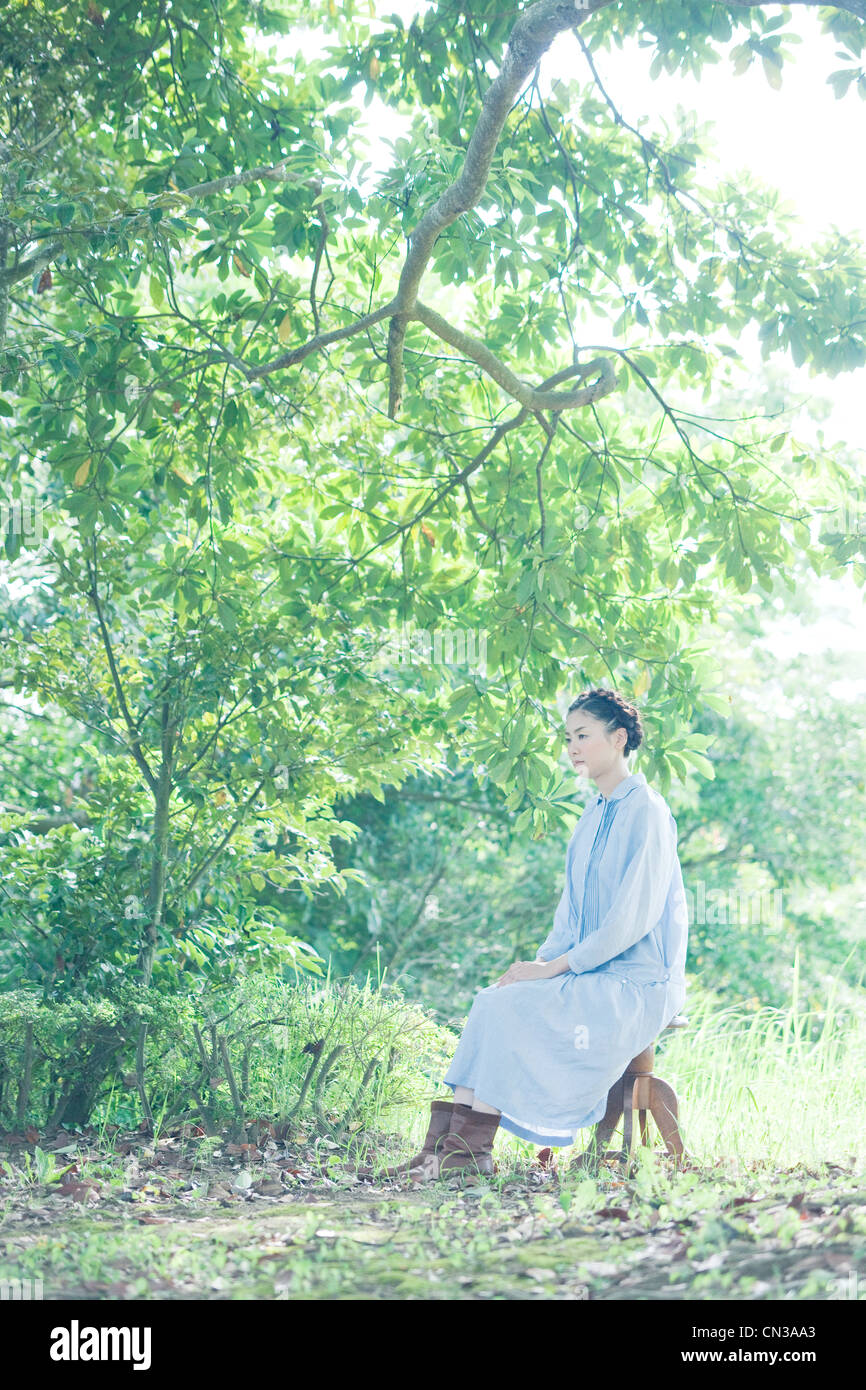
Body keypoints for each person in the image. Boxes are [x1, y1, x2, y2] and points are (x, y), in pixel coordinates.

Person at [375, 686, 689, 1182]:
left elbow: (634, 918)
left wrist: (554, 969)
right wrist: (537, 970)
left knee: (508, 1006)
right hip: (589, 970)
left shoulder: (646, 810)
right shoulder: (592, 815)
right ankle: (449, 1151)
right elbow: (570, 914)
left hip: (637, 980)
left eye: (583, 736)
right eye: (568, 738)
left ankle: (464, 1154)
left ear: (619, 737)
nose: (573, 748)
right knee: (493, 998)